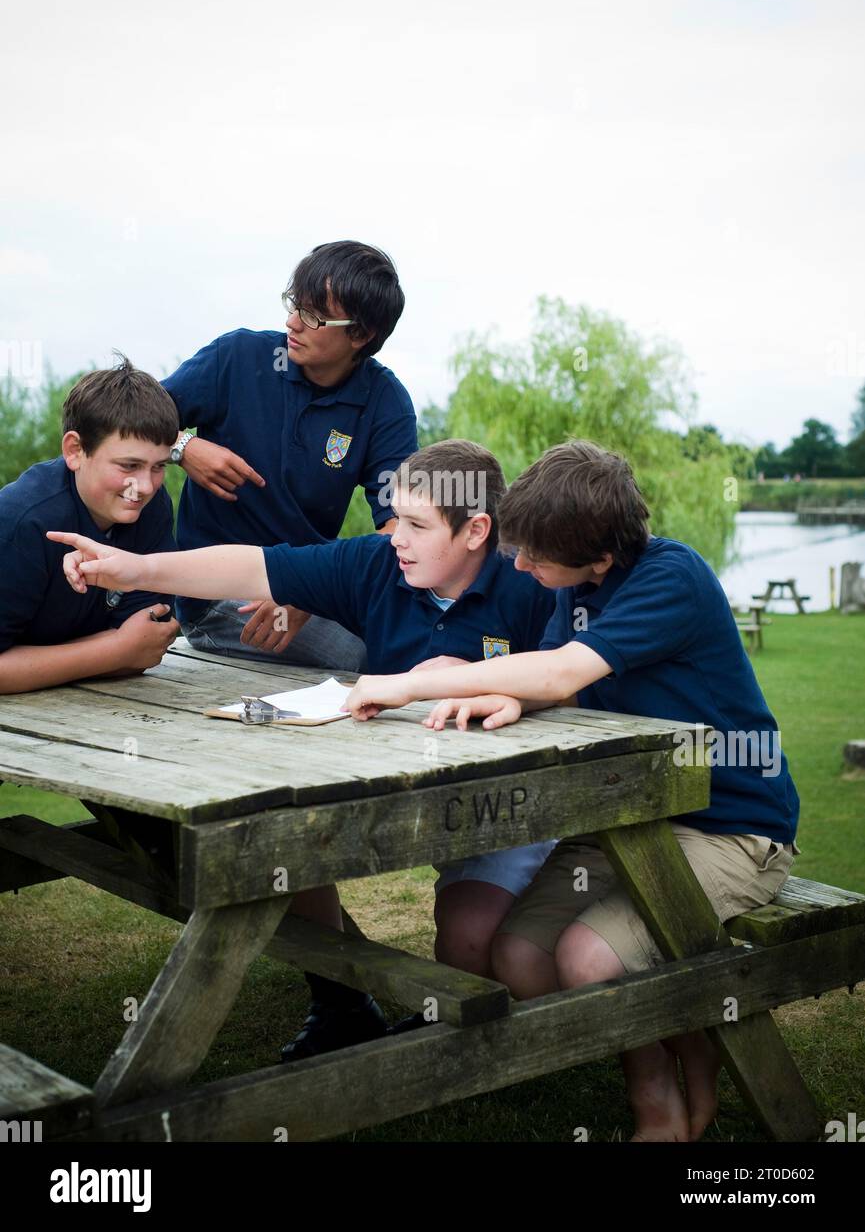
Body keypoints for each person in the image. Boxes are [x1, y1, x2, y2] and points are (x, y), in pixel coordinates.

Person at [338, 440, 801, 1143]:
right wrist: (511, 698)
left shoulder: (671, 578)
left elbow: (559, 672)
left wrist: (405, 683)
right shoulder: (576, 587)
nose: (517, 567)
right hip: (625, 820)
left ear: (600, 556)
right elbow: (561, 680)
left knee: (587, 959)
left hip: (729, 828)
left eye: (533, 558)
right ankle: (685, 1033)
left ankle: (662, 1104)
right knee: (519, 958)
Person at [47, 440, 557, 1059]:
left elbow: (577, 682)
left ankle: (490, 1044)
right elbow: (253, 567)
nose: (397, 536)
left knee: (470, 948)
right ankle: (343, 1002)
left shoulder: (534, 579)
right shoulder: (378, 562)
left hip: (506, 801)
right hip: (405, 783)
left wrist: (493, 683)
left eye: (418, 526)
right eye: (396, 518)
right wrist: (136, 569)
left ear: (477, 530)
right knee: (285, 841)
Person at [161, 240, 416, 672]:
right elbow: (121, 419)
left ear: (361, 334)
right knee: (362, 655)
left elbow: (399, 528)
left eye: (314, 315)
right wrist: (182, 446)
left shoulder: (386, 402)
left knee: (413, 641)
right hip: (217, 592)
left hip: (304, 592)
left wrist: (310, 592)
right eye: (294, 304)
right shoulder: (236, 357)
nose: (292, 322)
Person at [0, 357, 180, 695]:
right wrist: (114, 650)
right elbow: (129, 649)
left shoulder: (151, 507)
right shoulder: (22, 521)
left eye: (159, 467)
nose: (145, 486)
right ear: (75, 451)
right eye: (129, 465)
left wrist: (125, 649)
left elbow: (147, 642)